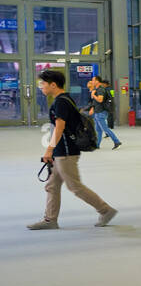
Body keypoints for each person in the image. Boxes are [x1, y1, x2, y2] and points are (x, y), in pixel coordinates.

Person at [28, 69, 117, 230]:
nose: (41, 87)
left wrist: (49, 150)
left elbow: (59, 127)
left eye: (43, 84)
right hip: (61, 151)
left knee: (75, 186)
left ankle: (105, 210)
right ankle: (50, 220)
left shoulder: (61, 102)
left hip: (66, 152)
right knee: (52, 186)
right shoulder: (63, 99)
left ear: (53, 85)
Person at [89, 75, 121, 150]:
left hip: (101, 112)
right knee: (98, 130)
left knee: (105, 129)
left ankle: (116, 141)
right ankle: (97, 145)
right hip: (98, 112)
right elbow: (95, 102)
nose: (92, 82)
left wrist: (93, 95)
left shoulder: (100, 90)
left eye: (93, 80)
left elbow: (100, 100)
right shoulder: (97, 89)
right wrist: (93, 108)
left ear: (97, 81)